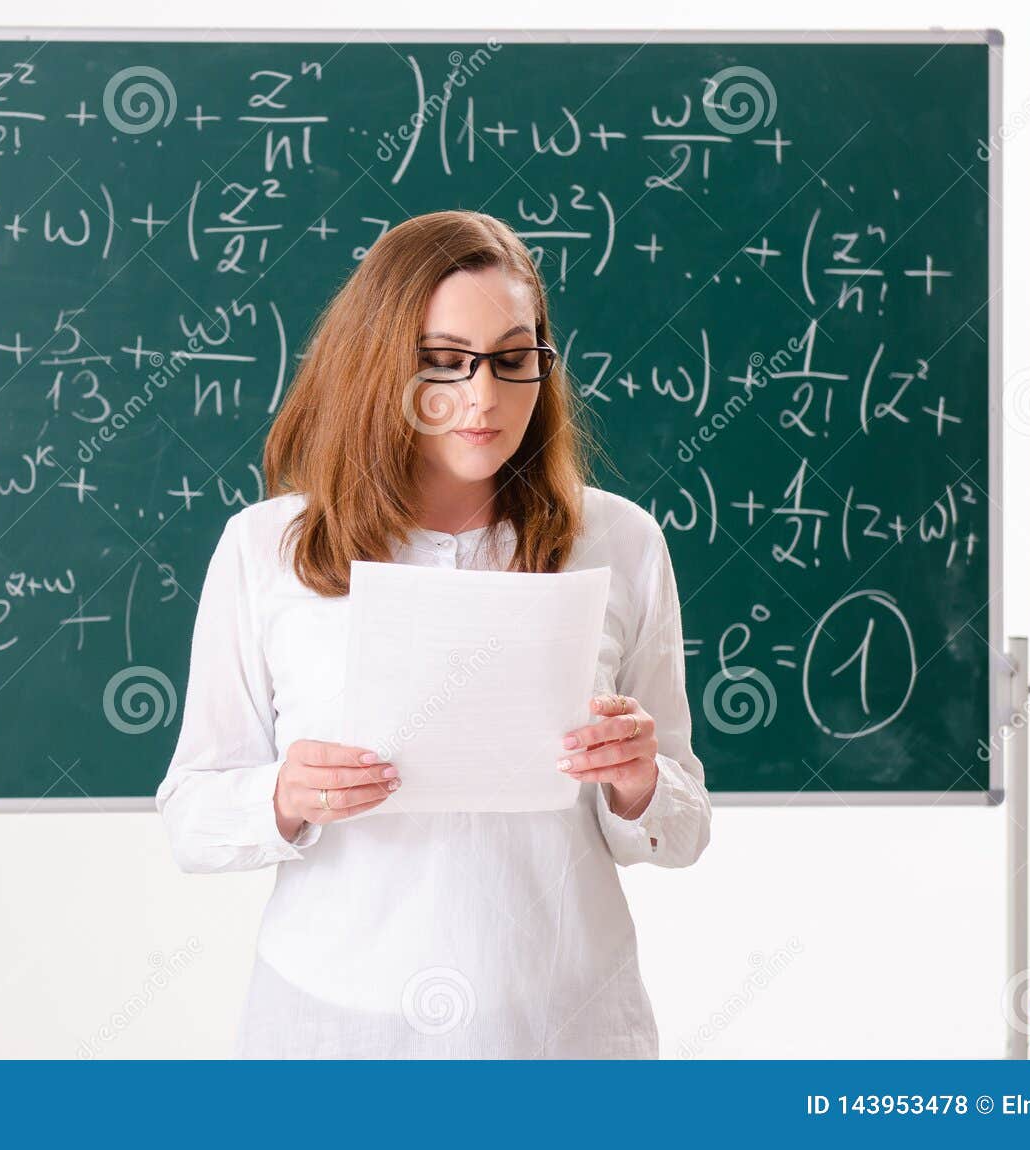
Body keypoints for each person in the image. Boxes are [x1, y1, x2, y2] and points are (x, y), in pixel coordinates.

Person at [155, 209, 712, 1058]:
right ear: (382, 362)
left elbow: (685, 825)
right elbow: (192, 816)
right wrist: (284, 796)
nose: (483, 397)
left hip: (565, 1029)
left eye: (513, 359)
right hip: (335, 1030)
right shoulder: (265, 548)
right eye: (444, 361)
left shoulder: (620, 542)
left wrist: (639, 782)